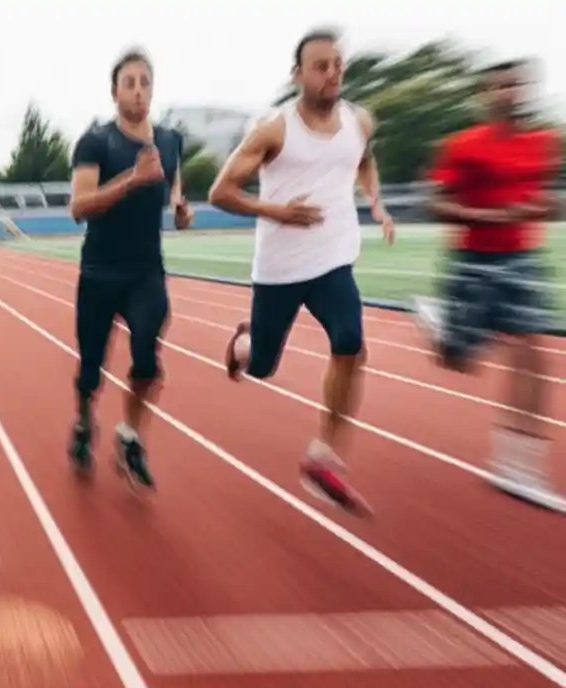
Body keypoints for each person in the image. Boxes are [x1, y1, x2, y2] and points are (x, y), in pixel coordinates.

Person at [208, 29, 394, 517]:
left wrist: (375, 198)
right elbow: (220, 192)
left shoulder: (360, 121)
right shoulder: (274, 129)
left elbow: (364, 160)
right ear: (297, 74)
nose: (332, 73)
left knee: (351, 341)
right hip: (279, 269)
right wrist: (277, 212)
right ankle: (245, 343)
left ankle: (323, 457)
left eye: (337, 64)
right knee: (263, 366)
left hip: (332, 261)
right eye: (320, 65)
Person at [412, 58, 563, 510]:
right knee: (458, 361)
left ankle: (520, 467)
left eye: (518, 85)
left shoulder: (544, 143)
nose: (511, 92)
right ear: (487, 93)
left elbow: (546, 201)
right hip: (473, 261)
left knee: (532, 356)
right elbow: (436, 206)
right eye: (502, 86)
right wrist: (488, 216)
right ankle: (438, 325)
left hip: (522, 261)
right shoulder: (462, 145)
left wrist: (536, 207)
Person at [66, 49, 194, 492]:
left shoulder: (171, 140)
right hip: (100, 272)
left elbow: (174, 188)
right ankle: (84, 422)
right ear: (114, 90)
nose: (139, 91)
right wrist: (130, 181)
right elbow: (78, 208)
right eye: (130, 82)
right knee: (90, 370)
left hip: (146, 272)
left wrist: (180, 210)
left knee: (147, 361)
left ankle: (130, 437)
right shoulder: (96, 142)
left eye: (145, 82)